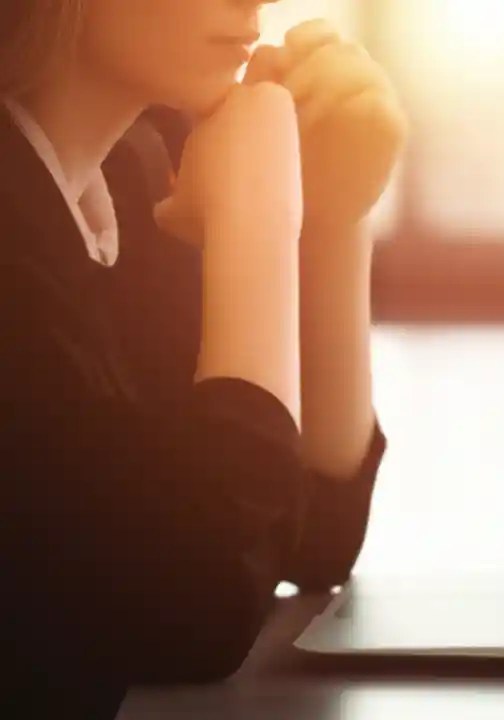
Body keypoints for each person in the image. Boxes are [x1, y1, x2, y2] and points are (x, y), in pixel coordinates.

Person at [0, 1, 408, 716]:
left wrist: (332, 214)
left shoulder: (133, 169)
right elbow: (191, 607)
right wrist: (258, 220)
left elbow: (303, 535)